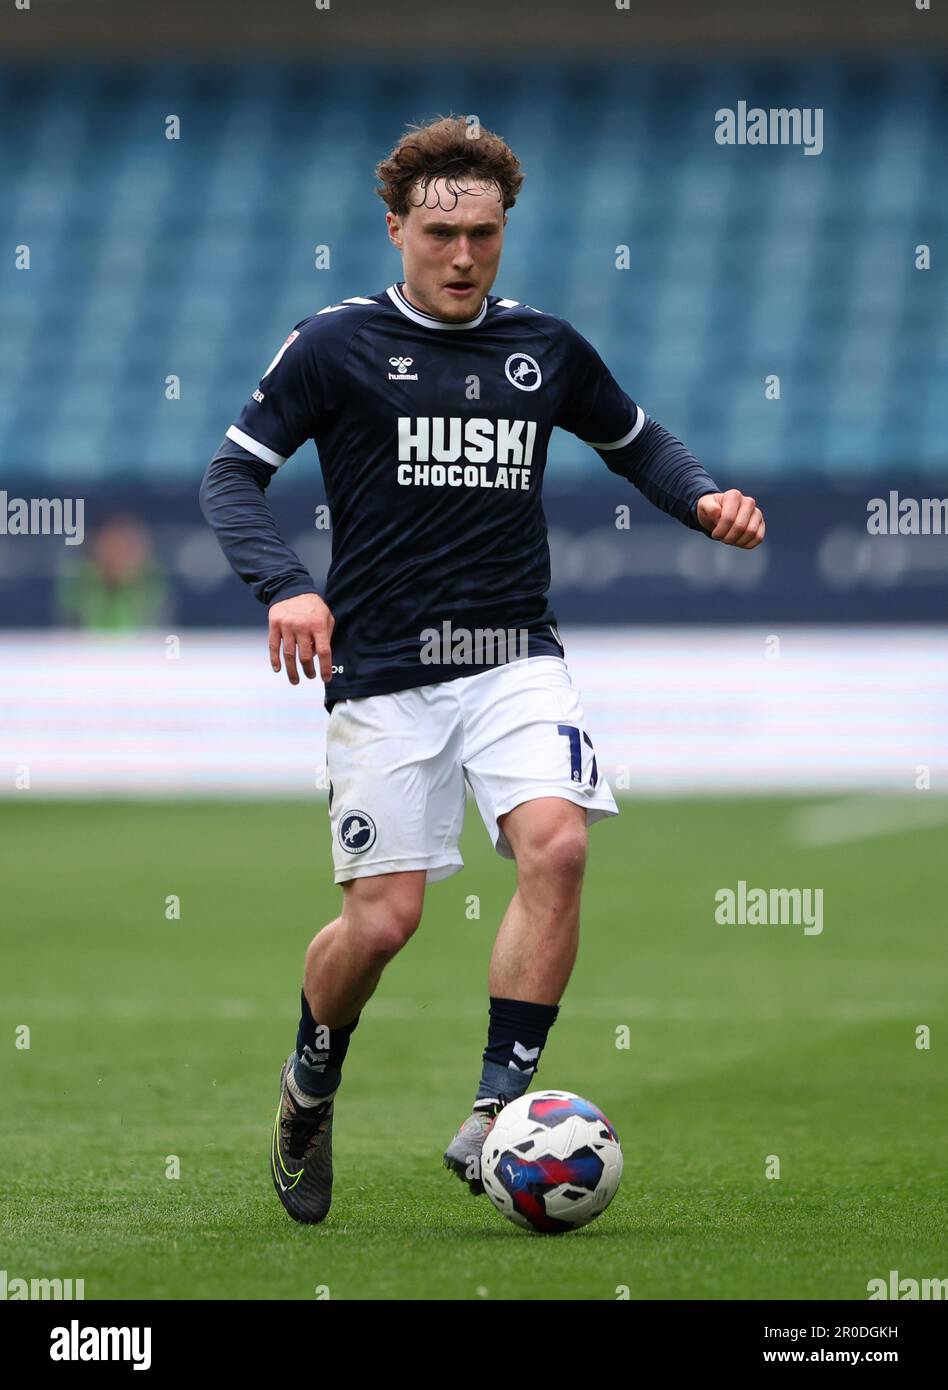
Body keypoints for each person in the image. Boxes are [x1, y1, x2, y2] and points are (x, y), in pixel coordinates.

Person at [199, 115, 765, 1225]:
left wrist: (701, 494)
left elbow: (634, 438)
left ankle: (498, 1106)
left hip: (515, 654)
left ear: (506, 232)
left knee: (555, 843)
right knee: (384, 922)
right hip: (383, 670)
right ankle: (311, 1083)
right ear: (397, 228)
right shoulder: (334, 344)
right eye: (442, 233)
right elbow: (231, 476)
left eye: (486, 235)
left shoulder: (543, 346)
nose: (464, 256)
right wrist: (287, 586)